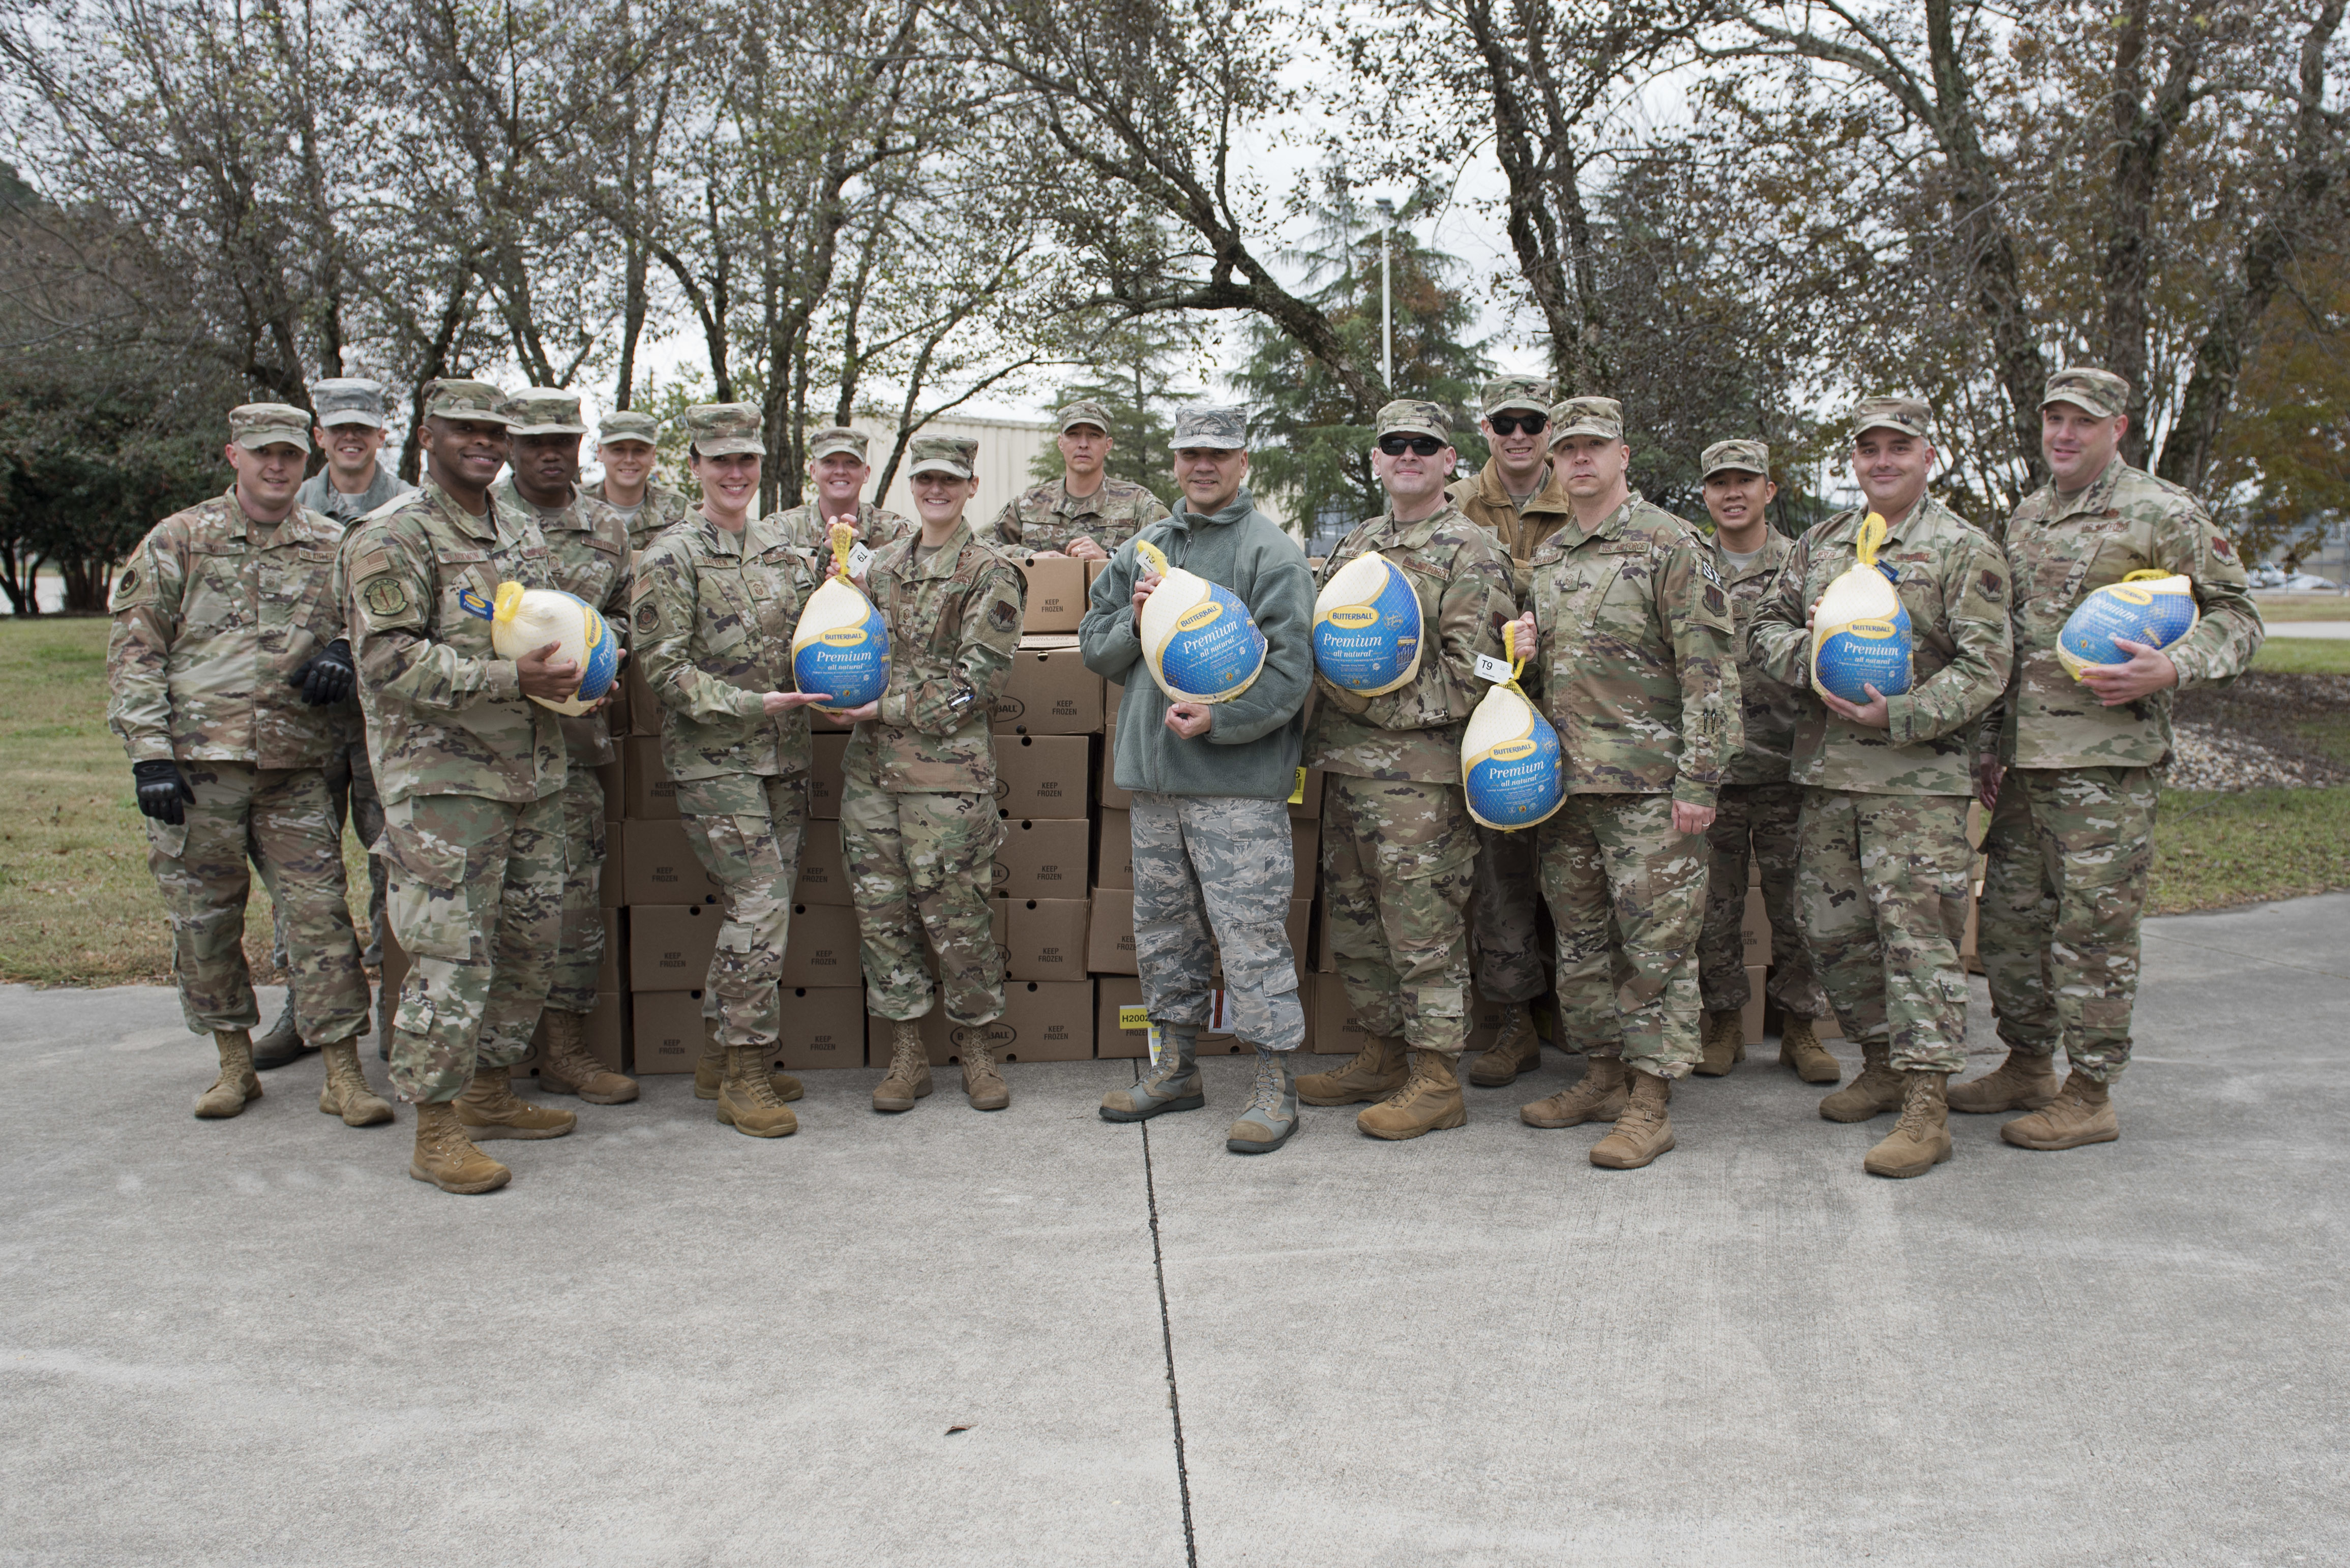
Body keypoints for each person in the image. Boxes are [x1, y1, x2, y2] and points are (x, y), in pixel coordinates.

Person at [1965, 368, 2263, 1149]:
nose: (2064, 434)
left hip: (2106, 765)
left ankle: (2090, 1091)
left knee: (2093, 931)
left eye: (2083, 423)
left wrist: (2172, 667)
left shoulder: (2161, 512)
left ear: (2117, 429)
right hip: (2026, 766)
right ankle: (2027, 1063)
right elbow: (2010, 639)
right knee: (2006, 925)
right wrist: (1992, 744)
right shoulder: (2027, 517)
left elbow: (2236, 614)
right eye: (2053, 419)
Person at [1745, 396, 2013, 1179]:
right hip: (1829, 774)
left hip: (1917, 781)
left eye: (1899, 447)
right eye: (1869, 449)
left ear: (1930, 456)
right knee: (1831, 930)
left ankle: (1927, 1106)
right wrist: (1816, 658)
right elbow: (1765, 624)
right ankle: (1882, 1063)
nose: (1883, 461)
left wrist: (1900, 712)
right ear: (1854, 461)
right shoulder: (1824, 544)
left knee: (1917, 940)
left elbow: (1987, 667)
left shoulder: (1964, 549)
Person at [108, 403, 387, 1128]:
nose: (276, 467)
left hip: (296, 769)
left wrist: (342, 655)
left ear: (308, 460)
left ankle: (342, 1073)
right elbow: (136, 655)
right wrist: (150, 758)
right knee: (204, 920)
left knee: (320, 918)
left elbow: (378, 635)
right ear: (234, 455)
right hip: (199, 771)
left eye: (290, 456)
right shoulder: (181, 540)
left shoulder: (335, 545)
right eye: (262, 453)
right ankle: (233, 1064)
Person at [341, 378, 583, 1193]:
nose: (482, 442)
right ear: (427, 437)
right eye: (464, 430)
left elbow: (553, 627)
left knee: (527, 948)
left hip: (533, 776)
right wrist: (510, 681)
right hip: (444, 790)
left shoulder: (517, 527)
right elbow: (386, 661)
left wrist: (584, 678)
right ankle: (436, 1130)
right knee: (452, 959)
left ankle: (489, 1092)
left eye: (493, 431)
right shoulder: (393, 535)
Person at [1506, 396, 1737, 1170]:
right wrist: (1522, 652)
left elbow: (1710, 673)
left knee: (1657, 949)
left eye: (1593, 447)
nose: (1578, 460)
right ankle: (1601, 1077)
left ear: (1623, 455)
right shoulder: (1556, 555)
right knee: (1580, 945)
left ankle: (1650, 1100)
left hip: (1650, 791)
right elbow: (1554, 678)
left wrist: (1699, 780)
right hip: (1567, 788)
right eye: (1566, 448)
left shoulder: (1670, 544)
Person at [1083, 406, 1316, 1152]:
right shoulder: (1144, 549)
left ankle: (1275, 1083)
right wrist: (1133, 618)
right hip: (1155, 784)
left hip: (1234, 787)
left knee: (1248, 937)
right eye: (1190, 453)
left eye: (1218, 453)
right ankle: (1175, 1069)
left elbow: (1290, 674)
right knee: (1162, 934)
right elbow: (1095, 647)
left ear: (1243, 460)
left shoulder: (1269, 553)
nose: (1203, 466)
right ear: (1175, 461)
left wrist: (1221, 721)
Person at [1295, 401, 1518, 1140]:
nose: (1408, 455)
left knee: (1421, 931)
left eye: (1424, 445)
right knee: (1359, 928)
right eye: (1395, 445)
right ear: (1377, 460)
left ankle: (1436, 1077)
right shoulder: (1360, 542)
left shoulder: (1472, 551)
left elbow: (1478, 672)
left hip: (1420, 782)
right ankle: (1382, 1052)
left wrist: (1361, 707)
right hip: (1348, 774)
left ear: (1451, 460)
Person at [632, 404, 835, 1139]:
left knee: (763, 905)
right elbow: (663, 670)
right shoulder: (670, 557)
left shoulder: (783, 550)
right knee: (758, 903)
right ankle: (747, 1074)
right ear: (693, 468)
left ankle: (720, 1055)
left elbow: (823, 626)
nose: (735, 473)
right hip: (714, 760)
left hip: (786, 757)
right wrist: (752, 703)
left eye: (747, 461)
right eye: (720, 462)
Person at [834, 436, 1028, 1113]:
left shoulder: (990, 571)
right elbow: (849, 646)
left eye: (949, 480)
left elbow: (980, 682)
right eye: (925, 479)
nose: (936, 490)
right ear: (911, 486)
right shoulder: (878, 568)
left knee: (958, 917)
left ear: (972, 486)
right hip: (870, 777)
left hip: (948, 781)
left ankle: (978, 1049)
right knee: (882, 917)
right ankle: (907, 1053)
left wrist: (881, 706)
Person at [248, 377, 409, 1068]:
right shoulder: (286, 504)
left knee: (394, 870)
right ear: (320, 436)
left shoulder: (409, 509)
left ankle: (394, 1011)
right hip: (302, 725)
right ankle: (305, 1009)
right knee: (303, 877)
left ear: (382, 435)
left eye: (363, 429)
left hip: (386, 724)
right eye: (337, 428)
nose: (350, 439)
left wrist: (350, 645)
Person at [491, 387, 640, 1106]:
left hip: (574, 747)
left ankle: (566, 1051)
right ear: (511, 446)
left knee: (573, 905)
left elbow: (623, 615)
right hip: (485, 749)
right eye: (535, 443)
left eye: (563, 442)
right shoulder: (476, 523)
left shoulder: (607, 530)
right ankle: (489, 1066)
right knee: (486, 908)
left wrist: (610, 663)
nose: (551, 454)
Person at [1689, 439, 1838, 1082]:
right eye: (1719, 482)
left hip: (1788, 765)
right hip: (1714, 773)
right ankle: (1723, 1023)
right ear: (1704, 495)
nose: (1732, 493)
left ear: (1769, 491)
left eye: (1745, 481)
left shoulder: (1804, 565)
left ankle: (1801, 1029)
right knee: (1712, 909)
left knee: (1797, 908)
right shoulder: (1687, 564)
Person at [1445, 373, 1575, 1085]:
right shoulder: (1457, 504)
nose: (1519, 436)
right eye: (1505, 423)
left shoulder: (1581, 499)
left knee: (1575, 867)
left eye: (1532, 422)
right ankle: (1515, 1021)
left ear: (1549, 431)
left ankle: (1574, 1012)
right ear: (1486, 431)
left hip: (1576, 707)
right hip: (1489, 711)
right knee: (1501, 873)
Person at [987, 398, 1171, 560]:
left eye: (1094, 435)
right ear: (1061, 442)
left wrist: (1110, 558)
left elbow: (1170, 555)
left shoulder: (1139, 505)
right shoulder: (1029, 505)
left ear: (1108, 445)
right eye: (1073, 434)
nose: (1083, 444)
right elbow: (980, 545)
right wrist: (1031, 557)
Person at [765, 425, 913, 562]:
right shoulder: (782, 529)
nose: (840, 471)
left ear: (866, 474)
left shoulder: (896, 531)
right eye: (829, 462)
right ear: (813, 471)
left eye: (851, 462)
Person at [586, 410, 693, 551]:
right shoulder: (578, 505)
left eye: (639, 451)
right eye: (618, 450)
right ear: (600, 452)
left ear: (653, 455)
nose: (629, 460)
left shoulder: (677, 508)